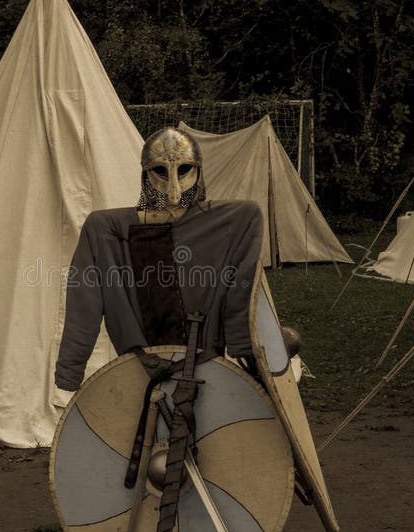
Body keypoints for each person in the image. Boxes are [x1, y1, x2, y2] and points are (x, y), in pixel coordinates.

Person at [54, 126, 264, 393]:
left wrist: (245, 346)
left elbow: (242, 290)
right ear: (146, 175)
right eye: (161, 172)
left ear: (198, 171)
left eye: (184, 169)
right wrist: (70, 371)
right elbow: (83, 305)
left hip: (206, 366)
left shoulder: (238, 221)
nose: (174, 191)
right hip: (142, 367)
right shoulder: (103, 230)